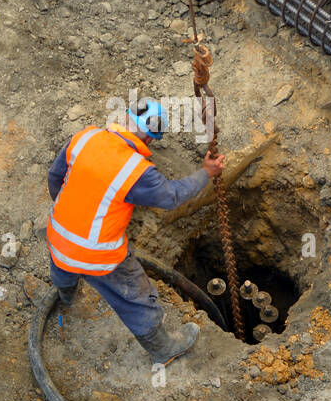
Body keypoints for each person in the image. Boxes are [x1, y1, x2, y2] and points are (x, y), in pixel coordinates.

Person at [46, 97, 225, 363]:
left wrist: (74, 214)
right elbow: (170, 197)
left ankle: (66, 295)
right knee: (137, 295)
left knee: (64, 267)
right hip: (99, 256)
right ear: (151, 138)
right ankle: (163, 349)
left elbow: (54, 176)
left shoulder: (85, 137)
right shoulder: (137, 170)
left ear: (126, 117)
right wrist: (205, 174)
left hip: (57, 237)